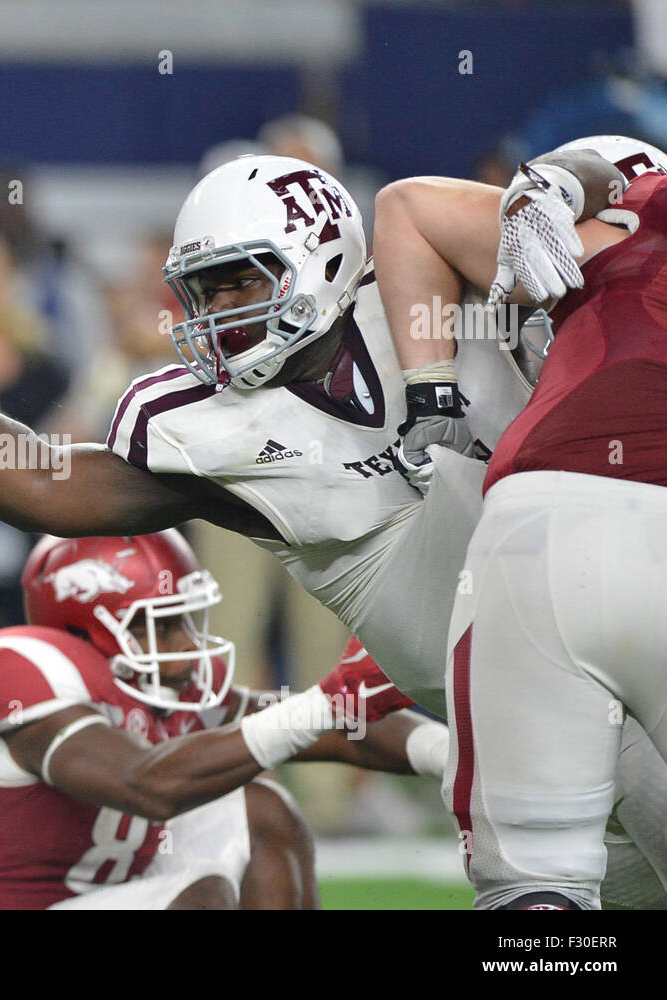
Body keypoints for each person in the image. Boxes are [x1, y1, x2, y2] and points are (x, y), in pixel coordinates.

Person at [0, 149, 667, 905]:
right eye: (203, 292)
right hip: (503, 687)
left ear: (317, 258)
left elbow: (620, 182)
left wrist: (557, 181)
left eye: (238, 283)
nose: (217, 311)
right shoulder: (204, 425)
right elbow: (40, 483)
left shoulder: (428, 283)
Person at [375, 135, 667, 909]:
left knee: (535, 887)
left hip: (544, 522)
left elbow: (409, 204)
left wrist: (432, 395)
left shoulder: (631, 218)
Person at [0, 530, 444, 910]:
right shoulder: (18, 667)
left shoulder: (166, 686)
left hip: (91, 898)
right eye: (160, 627)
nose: (186, 645)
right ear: (85, 625)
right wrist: (324, 701)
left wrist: (459, 754)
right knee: (192, 897)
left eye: (185, 620)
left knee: (260, 807)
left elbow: (322, 731)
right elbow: (145, 784)